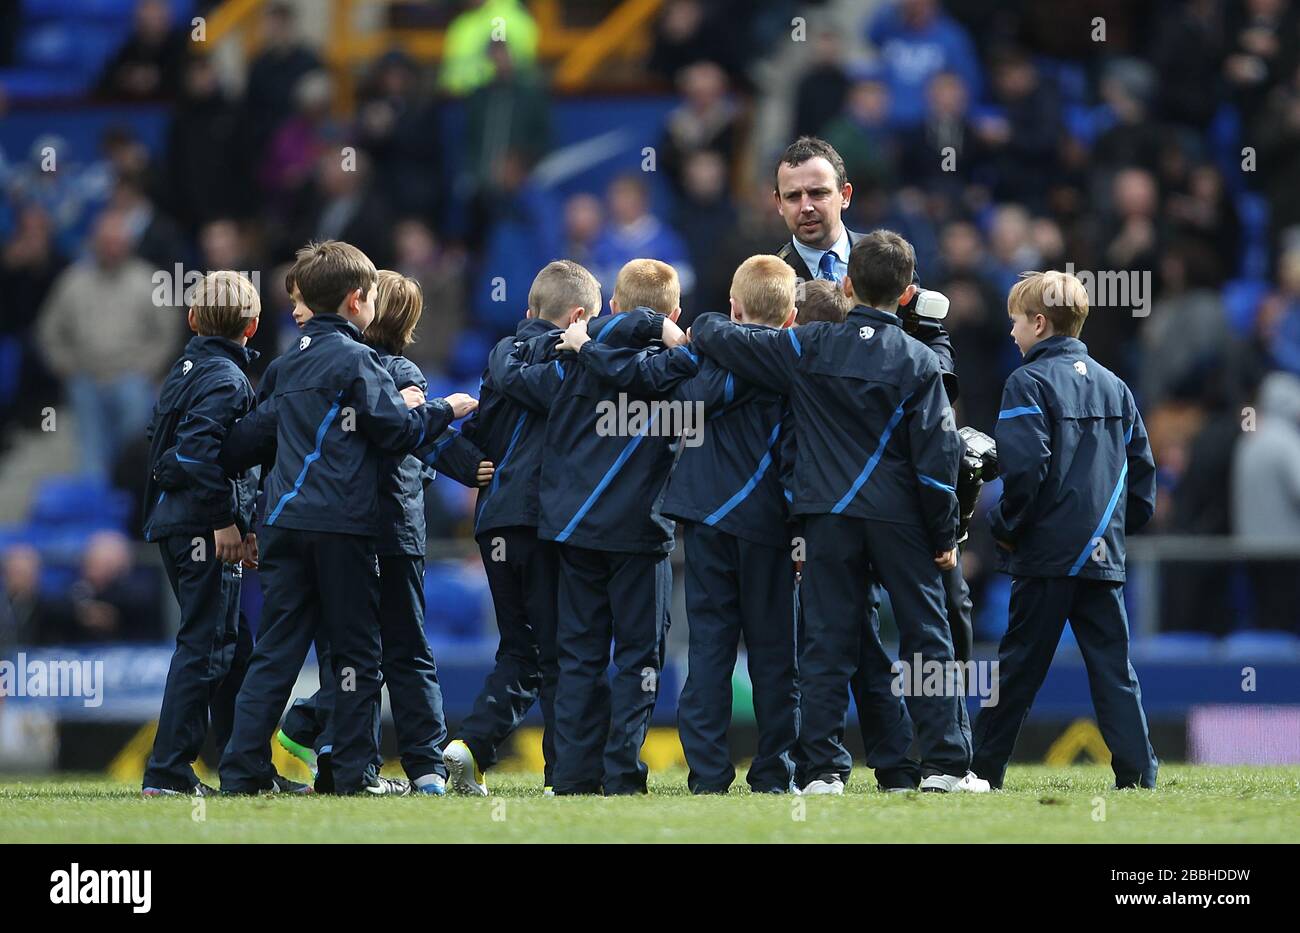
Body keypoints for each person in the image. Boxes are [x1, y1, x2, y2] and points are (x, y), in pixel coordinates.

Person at [691, 230, 983, 794]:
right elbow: (936, 456)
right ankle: (945, 765)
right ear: (906, 294)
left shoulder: (811, 345)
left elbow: (726, 339)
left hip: (826, 516)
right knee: (928, 637)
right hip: (900, 519)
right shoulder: (921, 361)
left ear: (847, 285)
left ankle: (822, 770)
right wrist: (943, 530)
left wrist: (702, 323)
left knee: (826, 640)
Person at [216, 240, 477, 796]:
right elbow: (398, 432)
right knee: (358, 653)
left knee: (276, 652)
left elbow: (244, 443)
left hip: (282, 522)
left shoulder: (286, 364)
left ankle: (240, 772)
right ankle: (354, 776)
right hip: (340, 526)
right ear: (358, 301)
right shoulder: (358, 359)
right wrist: (443, 410)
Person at [772, 136, 970, 790]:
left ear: (843, 194)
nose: (806, 205)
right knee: (896, 634)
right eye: (794, 195)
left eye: (817, 192)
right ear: (778, 204)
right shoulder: (763, 277)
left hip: (836, 499)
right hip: (870, 501)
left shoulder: (885, 277)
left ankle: (836, 768)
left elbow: (945, 372)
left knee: (840, 637)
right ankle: (933, 764)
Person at [493, 260, 693, 795]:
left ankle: (575, 778)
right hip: (641, 537)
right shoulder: (680, 371)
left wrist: (581, 340)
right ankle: (622, 774)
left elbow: (510, 374)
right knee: (638, 662)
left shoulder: (571, 362)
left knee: (579, 657)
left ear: (610, 307)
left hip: (574, 534)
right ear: (676, 314)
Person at [971, 270, 1158, 790]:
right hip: (1103, 556)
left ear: (1038, 321)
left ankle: (980, 772)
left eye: (1014, 322)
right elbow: (1142, 475)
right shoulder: (1116, 386)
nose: (1010, 333)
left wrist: (1003, 528)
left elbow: (1025, 470)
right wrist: (1118, 531)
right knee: (1115, 673)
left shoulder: (1026, 382)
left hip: (1047, 556)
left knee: (1017, 670)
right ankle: (1138, 778)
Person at [442, 260, 603, 796]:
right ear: (578, 317)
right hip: (545, 521)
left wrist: (464, 466)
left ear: (529, 310)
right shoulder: (578, 361)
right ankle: (565, 775)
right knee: (557, 654)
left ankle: (472, 747)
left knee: (519, 649)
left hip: (494, 524)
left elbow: (477, 434)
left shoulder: (501, 356)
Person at [140, 271, 292, 797]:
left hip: (179, 522)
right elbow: (193, 455)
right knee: (206, 647)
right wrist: (226, 520)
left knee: (233, 648)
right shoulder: (226, 379)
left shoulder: (182, 371)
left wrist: (241, 524)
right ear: (253, 326)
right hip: (200, 527)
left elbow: (166, 452)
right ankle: (168, 773)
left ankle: (245, 769)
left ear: (192, 319)